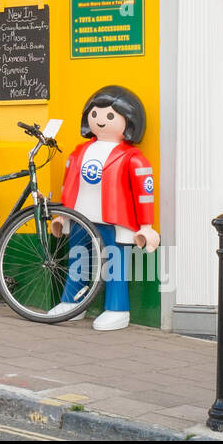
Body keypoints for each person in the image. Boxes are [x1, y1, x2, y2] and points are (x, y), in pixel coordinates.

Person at [54, 85, 159, 331]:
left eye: (110, 116)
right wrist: (62, 215)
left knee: (114, 264)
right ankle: (72, 303)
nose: (100, 120)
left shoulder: (132, 157)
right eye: (95, 114)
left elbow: (145, 193)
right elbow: (68, 185)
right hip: (79, 216)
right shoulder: (79, 152)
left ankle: (117, 308)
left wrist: (146, 226)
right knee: (78, 259)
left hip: (114, 220)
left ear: (129, 120)